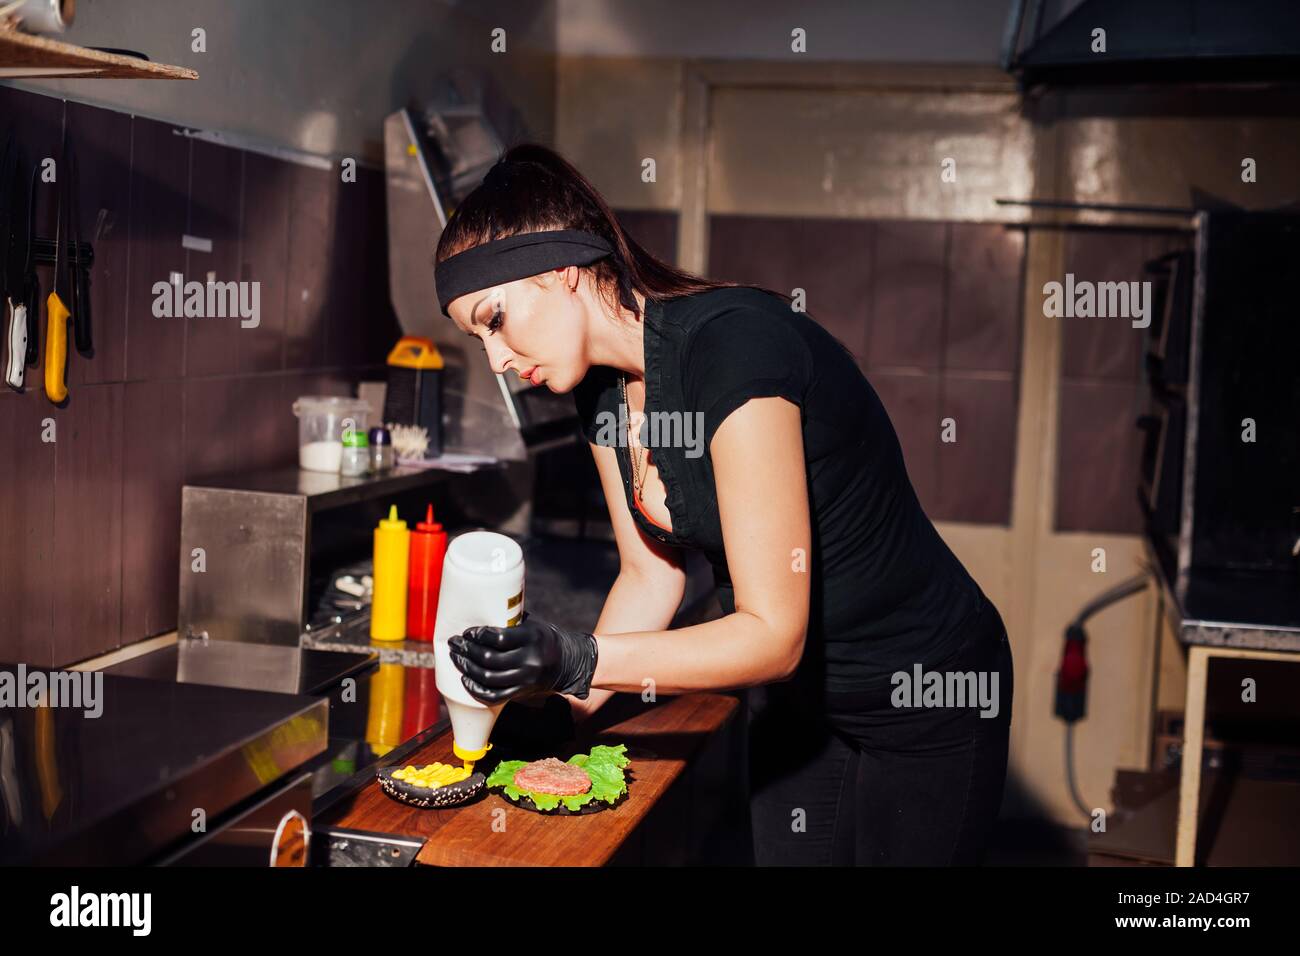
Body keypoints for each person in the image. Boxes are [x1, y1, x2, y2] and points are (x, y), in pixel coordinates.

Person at [439, 143, 1013, 865]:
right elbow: (653, 576)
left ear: (562, 269)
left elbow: (774, 633)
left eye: (494, 319)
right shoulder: (601, 394)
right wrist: (563, 707)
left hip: (928, 691)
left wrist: (576, 658)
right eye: (475, 338)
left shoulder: (735, 349)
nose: (495, 361)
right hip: (800, 706)